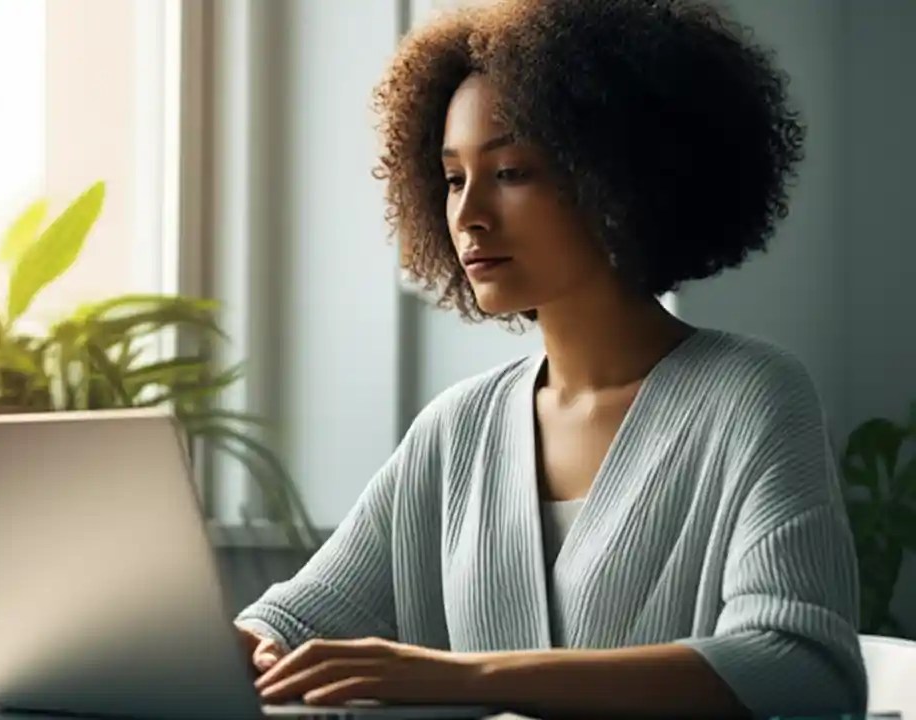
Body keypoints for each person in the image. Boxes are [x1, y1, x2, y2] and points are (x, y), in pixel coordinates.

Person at [233, 1, 867, 718]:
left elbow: (800, 664)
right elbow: (291, 623)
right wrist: (229, 646)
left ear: (621, 179)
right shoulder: (457, 428)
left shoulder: (751, 397)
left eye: (509, 172)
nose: (469, 214)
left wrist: (463, 679)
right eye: (451, 179)